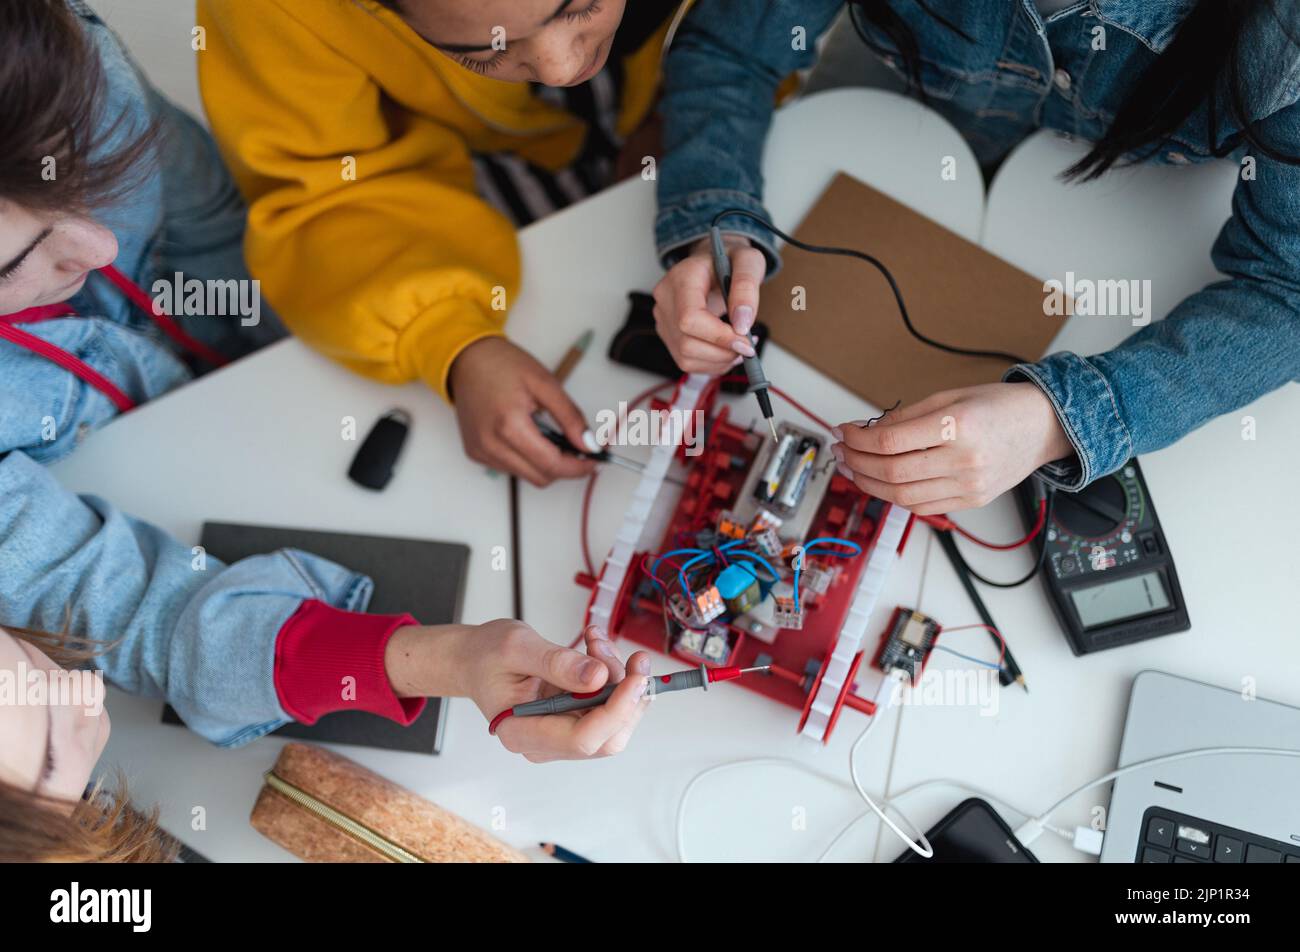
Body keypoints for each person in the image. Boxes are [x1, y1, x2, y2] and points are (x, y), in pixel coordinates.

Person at [0, 0, 649, 811]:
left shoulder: (54, 67)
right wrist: (445, 662)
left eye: (84, 172)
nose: (99, 247)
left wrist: (422, 333)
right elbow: (139, 616)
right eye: (15, 263)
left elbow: (221, 236)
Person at [650, 0, 1300, 514]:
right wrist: (715, 220)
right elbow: (729, 48)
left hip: (1133, 211)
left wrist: (1061, 419)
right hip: (890, 112)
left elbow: (1288, 287)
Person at [196, 0, 691, 487]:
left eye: (580, 7)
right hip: (466, 165)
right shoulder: (268, 9)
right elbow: (323, 197)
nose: (561, 69)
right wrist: (448, 339)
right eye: (481, 50)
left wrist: (701, 124)